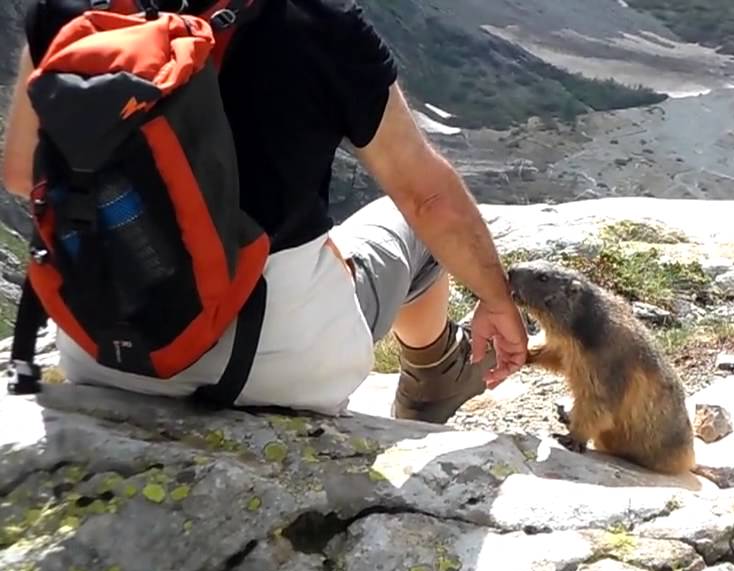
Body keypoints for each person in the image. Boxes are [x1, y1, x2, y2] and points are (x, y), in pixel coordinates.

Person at [1, 0, 529, 423]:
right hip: (268, 370)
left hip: (105, 355)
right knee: (411, 227)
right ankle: (436, 378)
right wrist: (497, 299)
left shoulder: (71, 13)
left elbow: (23, 174)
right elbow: (428, 197)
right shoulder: (318, 23)